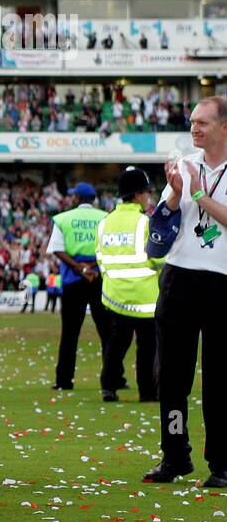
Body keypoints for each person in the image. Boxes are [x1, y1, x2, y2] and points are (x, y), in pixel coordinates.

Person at [145, 96, 227, 487]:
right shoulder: (185, 166)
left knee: (219, 380)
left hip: (221, 283)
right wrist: (176, 193)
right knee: (173, 379)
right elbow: (160, 226)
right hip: (179, 279)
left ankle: (222, 463)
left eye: (203, 123)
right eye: (192, 121)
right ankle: (175, 455)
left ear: (224, 127)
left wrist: (199, 196)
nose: (194, 128)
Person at [95, 166, 160, 403]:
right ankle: (148, 392)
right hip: (145, 298)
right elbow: (158, 257)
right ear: (137, 195)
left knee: (116, 346)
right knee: (147, 349)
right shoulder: (145, 223)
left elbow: (100, 258)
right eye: (147, 192)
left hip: (115, 296)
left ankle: (108, 387)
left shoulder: (105, 223)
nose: (149, 196)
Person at [49, 181, 112, 390]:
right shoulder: (106, 218)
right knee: (106, 331)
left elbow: (56, 249)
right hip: (99, 277)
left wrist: (79, 267)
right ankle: (113, 378)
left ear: (77, 198)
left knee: (69, 333)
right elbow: (111, 248)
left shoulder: (63, 218)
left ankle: (64, 381)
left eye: (73, 196)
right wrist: (92, 266)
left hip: (73, 278)